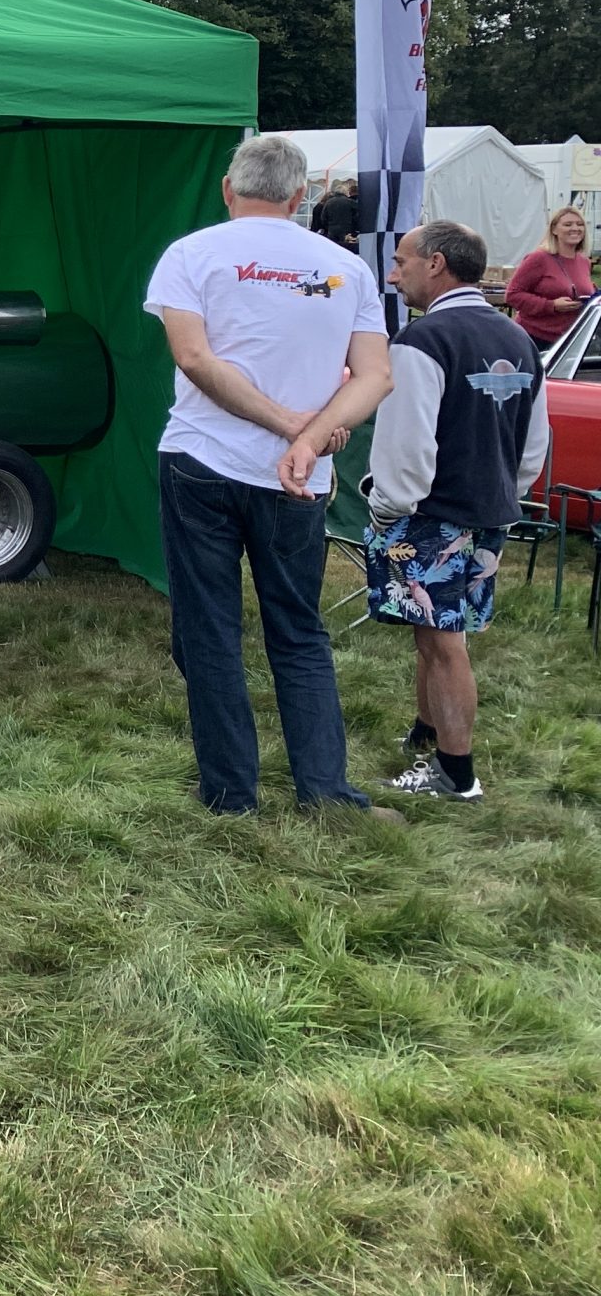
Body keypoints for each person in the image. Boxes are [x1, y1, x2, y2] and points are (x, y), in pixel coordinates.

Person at [148, 134, 391, 815]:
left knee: (209, 628)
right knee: (298, 629)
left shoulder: (190, 254)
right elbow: (376, 375)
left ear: (229, 189)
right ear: (300, 195)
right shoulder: (347, 269)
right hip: (298, 480)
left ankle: (231, 793)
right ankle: (326, 791)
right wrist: (310, 434)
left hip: (202, 461)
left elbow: (194, 359)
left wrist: (293, 428)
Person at [356, 221, 550, 802]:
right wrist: (503, 493)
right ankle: (429, 729)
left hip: (430, 514)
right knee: (439, 632)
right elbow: (533, 444)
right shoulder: (518, 340)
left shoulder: (423, 340)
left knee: (444, 644)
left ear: (436, 264)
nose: (393, 274)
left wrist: (388, 509)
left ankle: (455, 773)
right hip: (489, 510)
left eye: (401, 261)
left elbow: (407, 443)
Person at [504, 205, 594, 347]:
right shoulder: (539, 259)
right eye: (567, 224)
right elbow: (512, 295)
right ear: (554, 230)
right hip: (533, 338)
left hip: (569, 340)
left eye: (580, 224)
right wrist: (551, 306)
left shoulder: (584, 262)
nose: (575, 228)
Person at [311, 178, 362, 254]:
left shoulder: (328, 202)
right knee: (345, 251)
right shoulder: (350, 202)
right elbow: (358, 215)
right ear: (345, 192)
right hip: (346, 231)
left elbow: (323, 217)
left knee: (333, 251)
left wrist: (328, 226)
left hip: (332, 231)